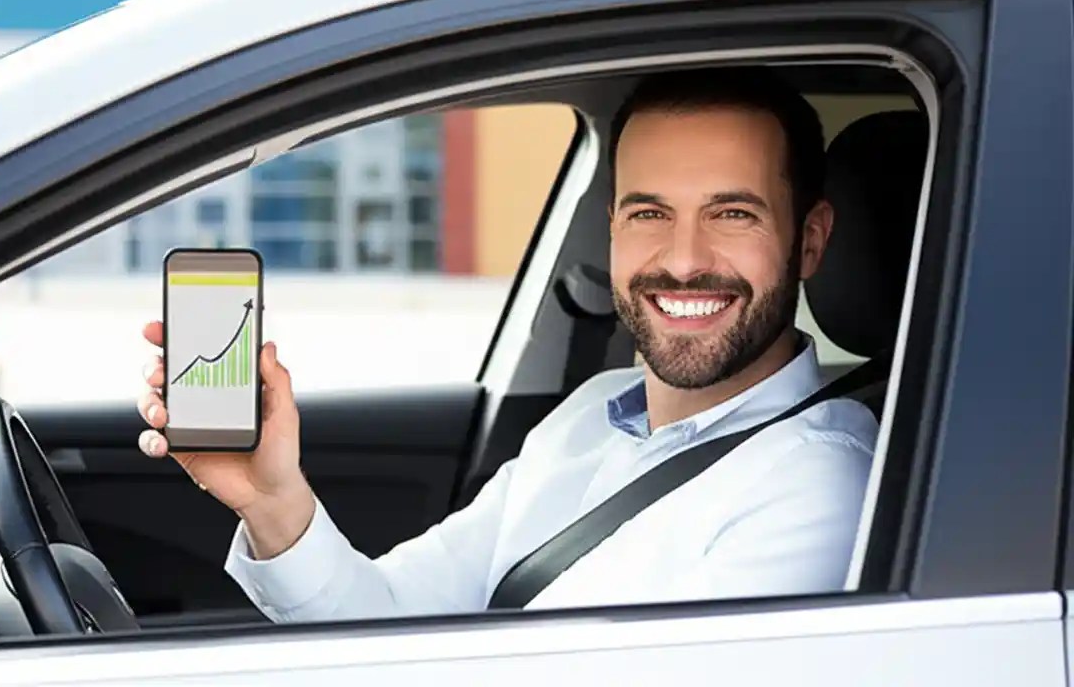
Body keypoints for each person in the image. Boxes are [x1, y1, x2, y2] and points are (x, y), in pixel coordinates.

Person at [135, 67, 877, 620]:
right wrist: (272, 500)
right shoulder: (591, 413)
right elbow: (388, 621)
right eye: (650, 213)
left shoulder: (819, 490)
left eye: (732, 214)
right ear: (613, 230)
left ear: (808, 241)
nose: (683, 259)